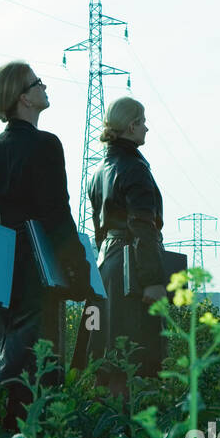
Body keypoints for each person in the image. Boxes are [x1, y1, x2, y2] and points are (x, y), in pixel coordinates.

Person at [0, 62, 93, 431]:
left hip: (1, 267)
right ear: (24, 97)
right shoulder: (47, 145)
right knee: (41, 363)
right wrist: (79, 272)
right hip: (37, 267)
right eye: (37, 83)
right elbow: (56, 215)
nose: (45, 86)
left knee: (5, 357)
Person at [71, 95, 168, 397]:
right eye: (142, 122)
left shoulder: (99, 170)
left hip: (106, 266)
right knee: (128, 360)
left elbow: (100, 230)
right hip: (132, 268)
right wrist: (152, 280)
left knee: (106, 356)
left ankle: (102, 432)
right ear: (131, 125)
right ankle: (122, 436)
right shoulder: (135, 169)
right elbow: (143, 227)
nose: (147, 129)